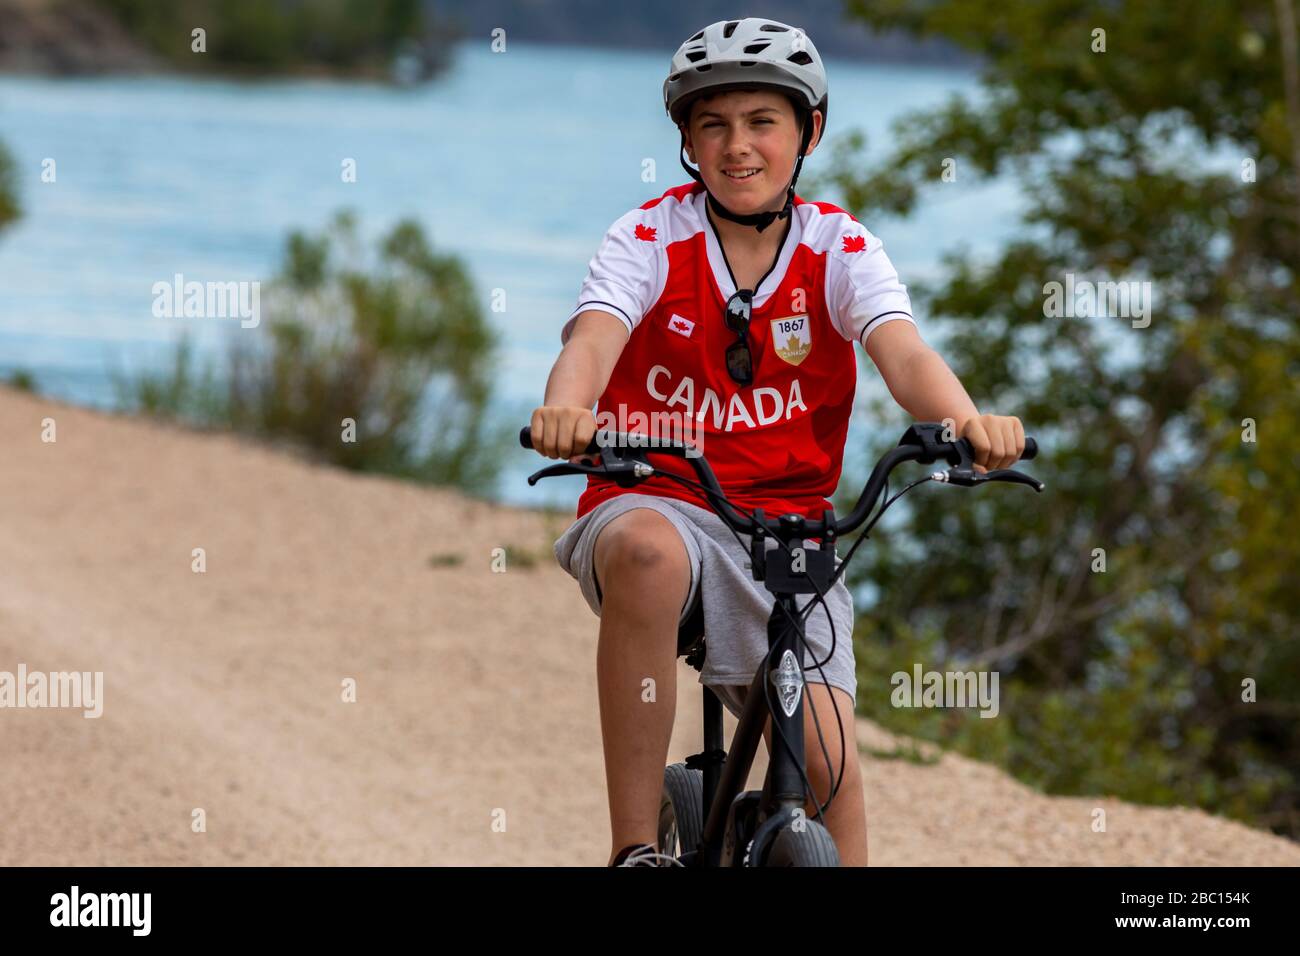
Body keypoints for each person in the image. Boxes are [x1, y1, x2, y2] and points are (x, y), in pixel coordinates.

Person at [527, 17, 1025, 867]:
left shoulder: (841, 245)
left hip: (788, 531)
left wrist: (968, 421)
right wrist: (566, 408)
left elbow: (902, 351)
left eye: (763, 121)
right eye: (713, 124)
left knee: (830, 771)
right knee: (647, 552)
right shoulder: (647, 238)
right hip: (655, 497)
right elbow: (594, 339)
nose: (739, 146)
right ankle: (636, 850)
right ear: (685, 138)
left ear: (809, 132)